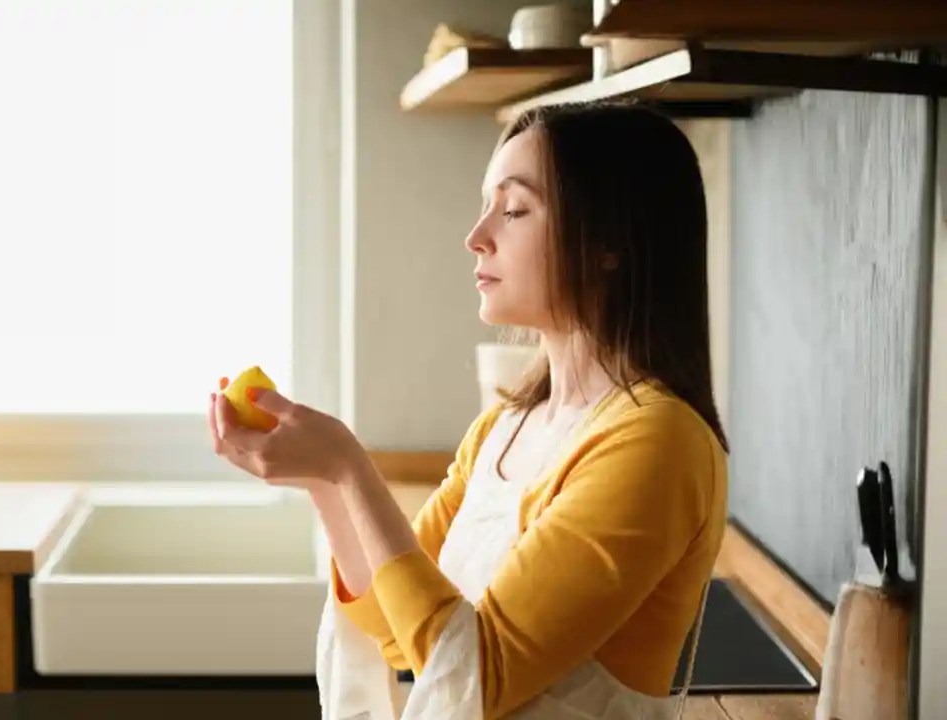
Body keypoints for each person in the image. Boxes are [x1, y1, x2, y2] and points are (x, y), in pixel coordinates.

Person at [207, 101, 729, 720]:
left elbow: (476, 677)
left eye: (513, 210)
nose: (477, 235)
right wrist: (322, 481)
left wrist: (350, 467)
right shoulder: (503, 431)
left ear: (608, 242)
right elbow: (399, 636)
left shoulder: (657, 442)